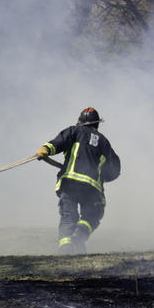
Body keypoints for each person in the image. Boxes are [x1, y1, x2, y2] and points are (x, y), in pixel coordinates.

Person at [36, 107, 121, 254]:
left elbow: (58, 142)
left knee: (68, 215)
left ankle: (65, 245)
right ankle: (79, 236)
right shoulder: (104, 142)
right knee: (92, 214)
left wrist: (45, 149)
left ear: (80, 121)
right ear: (97, 124)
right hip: (92, 187)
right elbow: (115, 169)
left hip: (70, 183)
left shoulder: (74, 131)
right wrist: (102, 176)